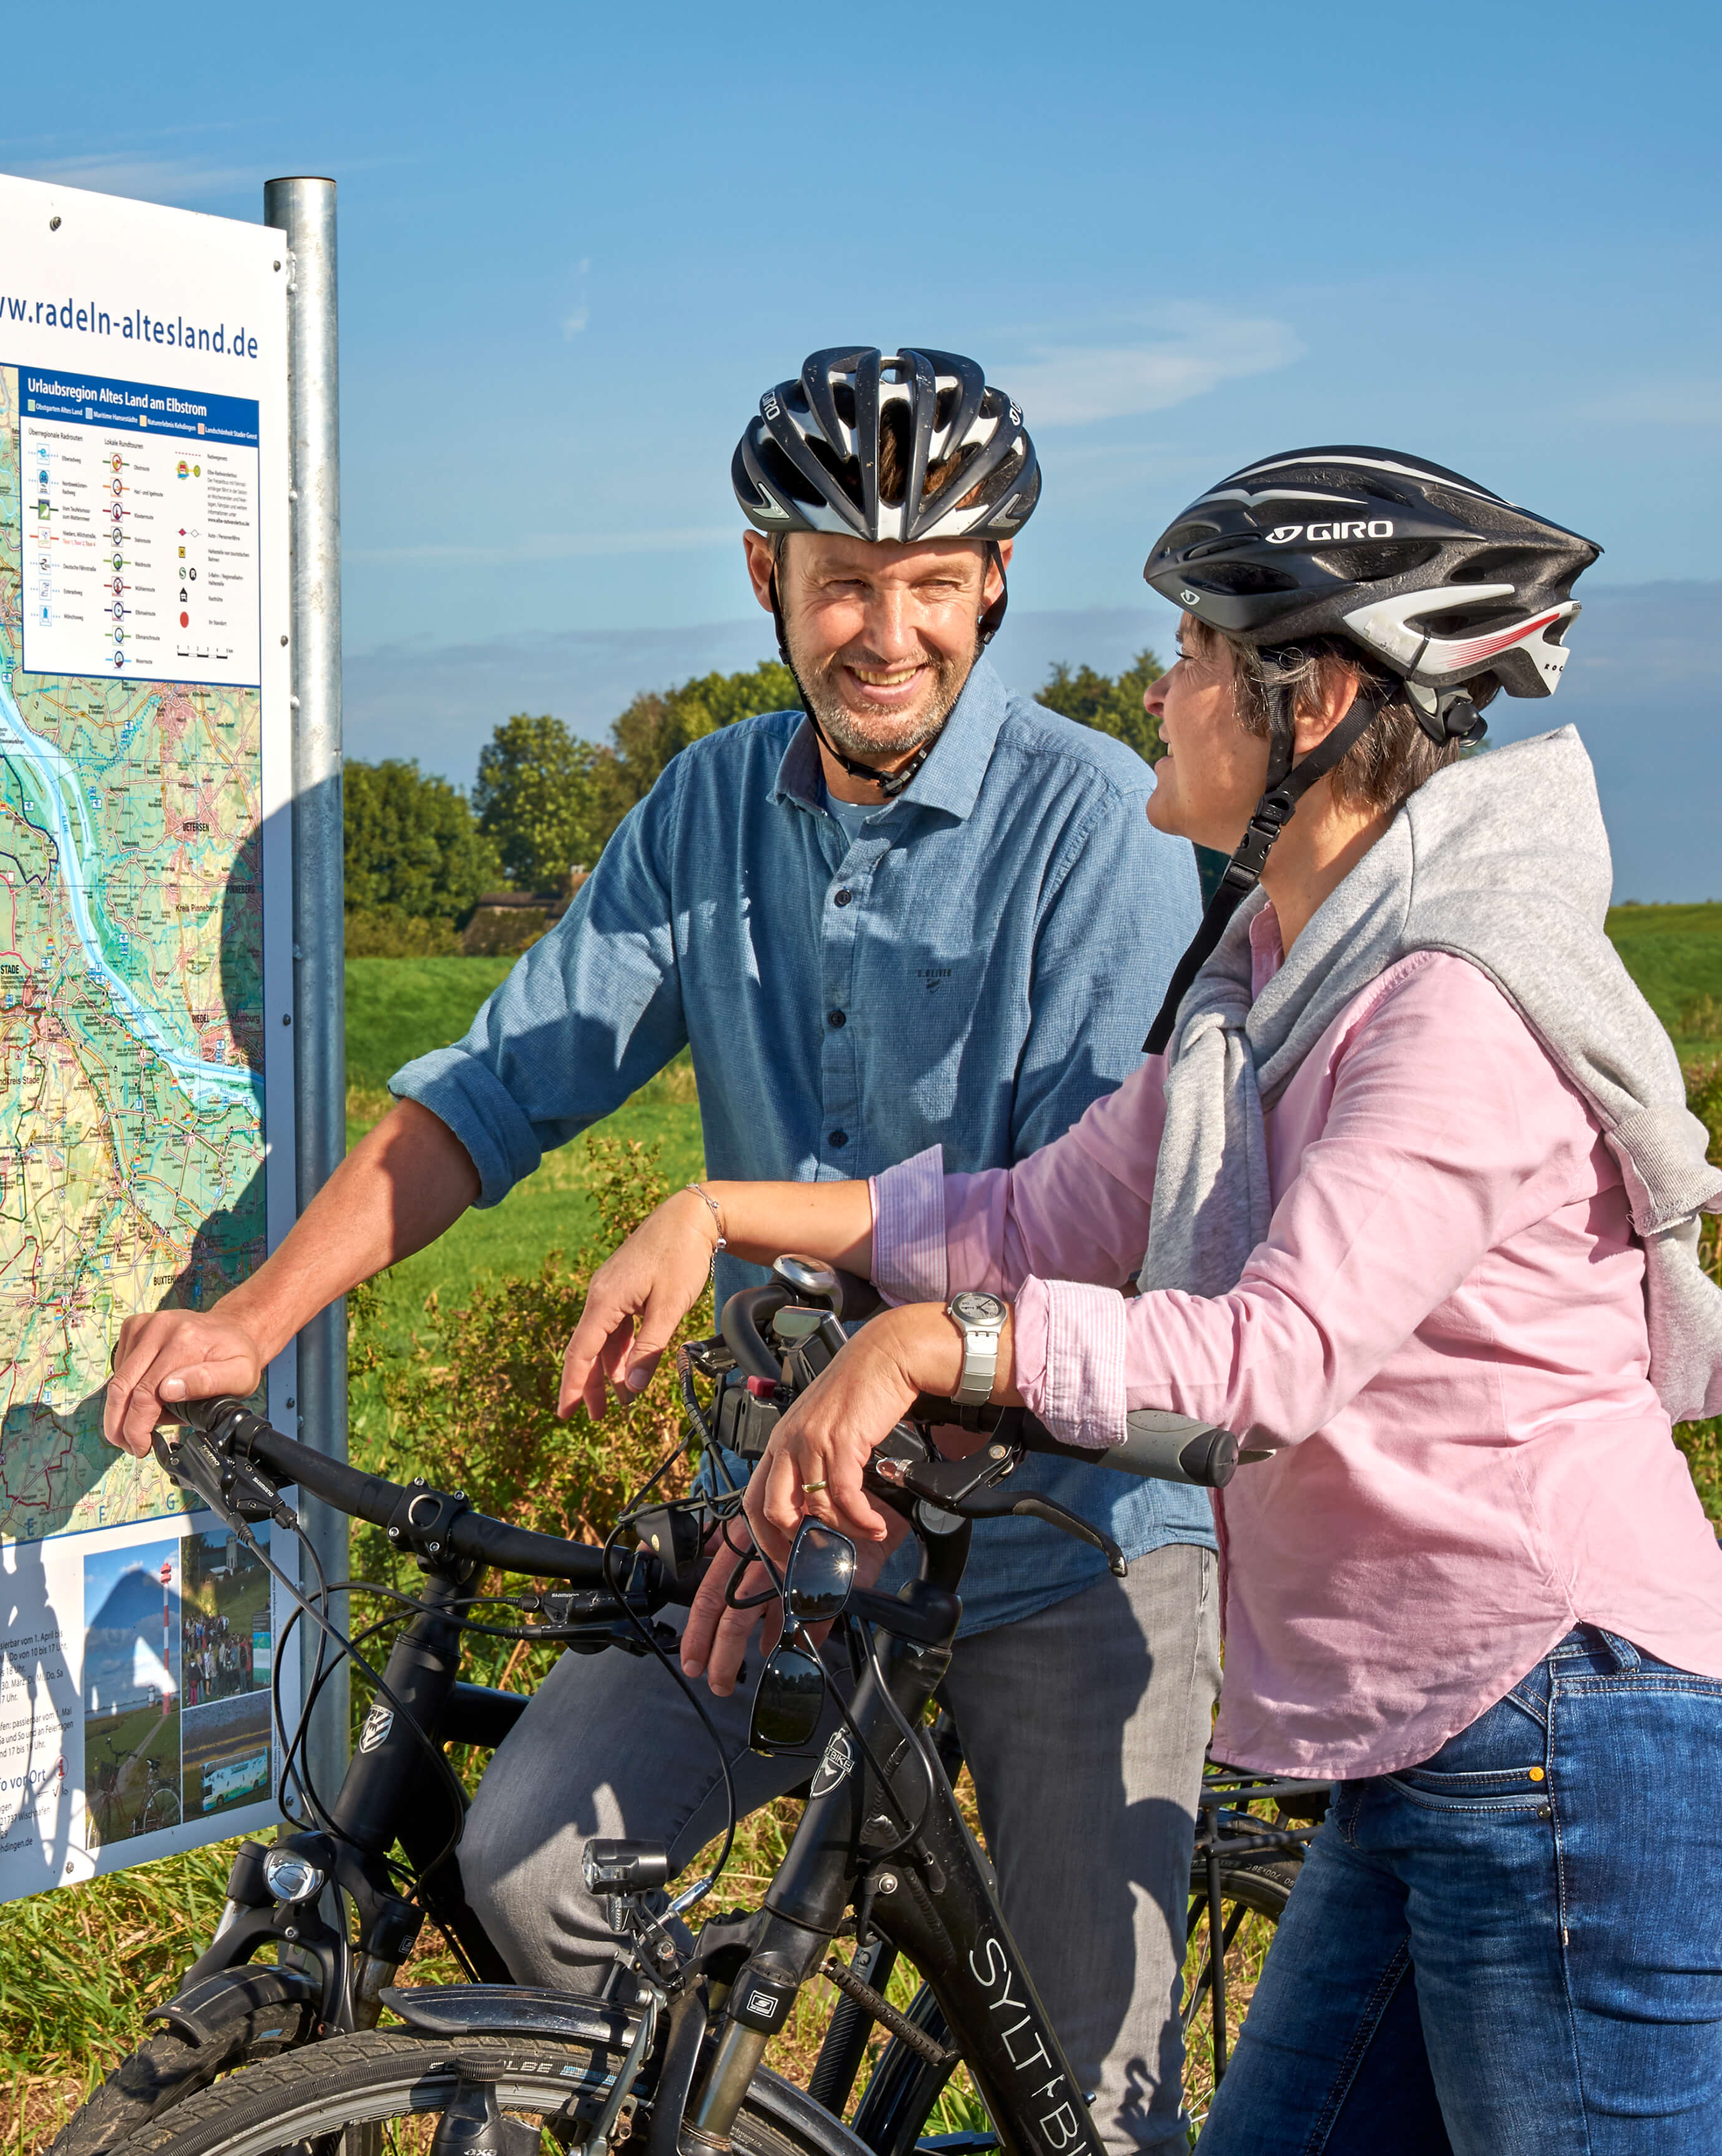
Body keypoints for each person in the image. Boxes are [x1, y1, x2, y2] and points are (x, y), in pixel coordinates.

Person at [102, 346, 1215, 2150]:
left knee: (1090, 2100)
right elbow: (494, 1092)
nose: (887, 630)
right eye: (842, 579)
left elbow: (1104, 1229)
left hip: (1057, 1534)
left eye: (933, 581)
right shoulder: (708, 808)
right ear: (761, 571)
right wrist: (244, 1317)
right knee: (532, 1864)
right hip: (779, 1530)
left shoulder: (1093, 824)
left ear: (994, 580)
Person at [653, 446, 1722, 2152]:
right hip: (1430, 1754)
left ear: (1310, 700)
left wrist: (930, 1346)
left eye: (1189, 653)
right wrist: (734, 1212)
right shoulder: (1268, 986)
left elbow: (1269, 1362)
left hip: (1564, 1742)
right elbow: (1039, 1212)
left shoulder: (1445, 1007)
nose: (1156, 690)